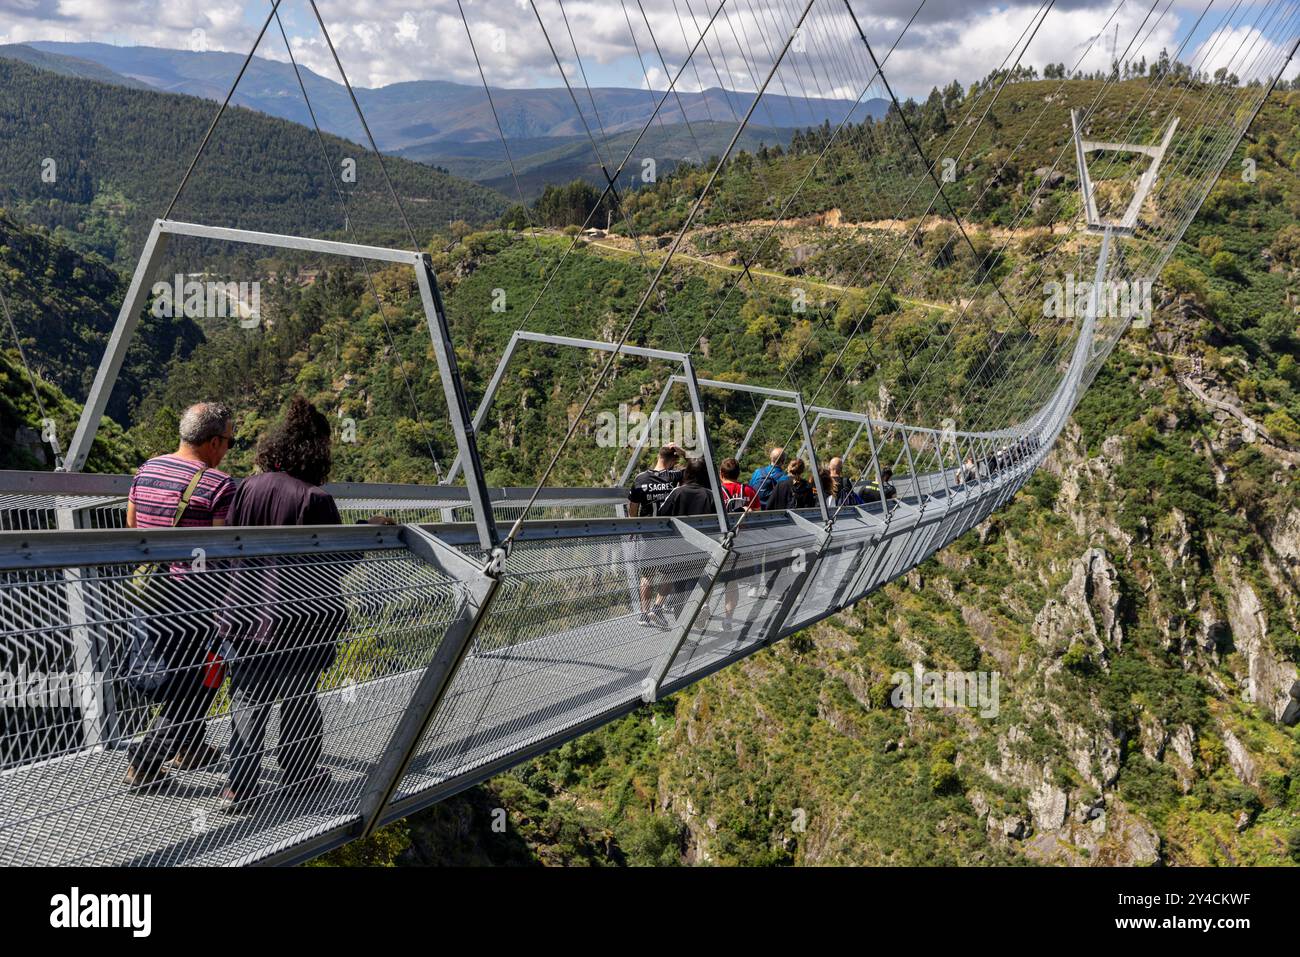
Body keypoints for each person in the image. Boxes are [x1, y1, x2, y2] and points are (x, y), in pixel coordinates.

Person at [218, 396, 346, 810]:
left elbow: (230, 547)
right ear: (316, 450)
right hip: (297, 620)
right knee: (297, 695)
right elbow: (334, 564)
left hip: (242, 613)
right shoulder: (316, 499)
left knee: (248, 697)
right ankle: (300, 774)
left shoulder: (247, 488)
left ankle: (240, 786)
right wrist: (367, 535)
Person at [123, 402, 236, 791]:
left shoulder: (147, 469)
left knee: (177, 673)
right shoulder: (218, 485)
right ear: (215, 441)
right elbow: (222, 552)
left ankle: (190, 747)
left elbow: (133, 528)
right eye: (230, 442)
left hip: (150, 595)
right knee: (200, 678)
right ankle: (145, 762)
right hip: (195, 601)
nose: (227, 450)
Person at [627, 444, 683, 627]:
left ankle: (643, 614)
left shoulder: (640, 478)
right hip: (667, 532)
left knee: (647, 575)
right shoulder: (673, 477)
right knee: (668, 574)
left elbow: (633, 506)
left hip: (646, 532)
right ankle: (657, 608)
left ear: (659, 456)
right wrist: (682, 451)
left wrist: (633, 526)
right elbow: (696, 466)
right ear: (672, 461)